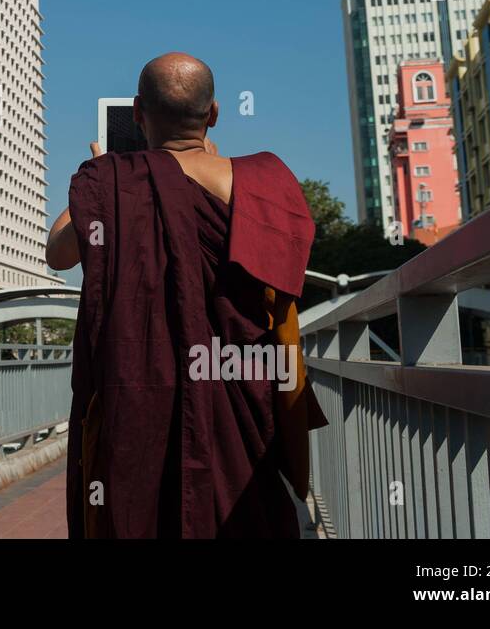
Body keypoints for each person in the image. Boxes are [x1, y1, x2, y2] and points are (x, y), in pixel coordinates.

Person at [46, 52, 326, 538]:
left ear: (137, 113)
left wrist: (102, 176)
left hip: (135, 410)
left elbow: (58, 253)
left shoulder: (107, 181)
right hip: (238, 407)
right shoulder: (262, 181)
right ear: (213, 113)